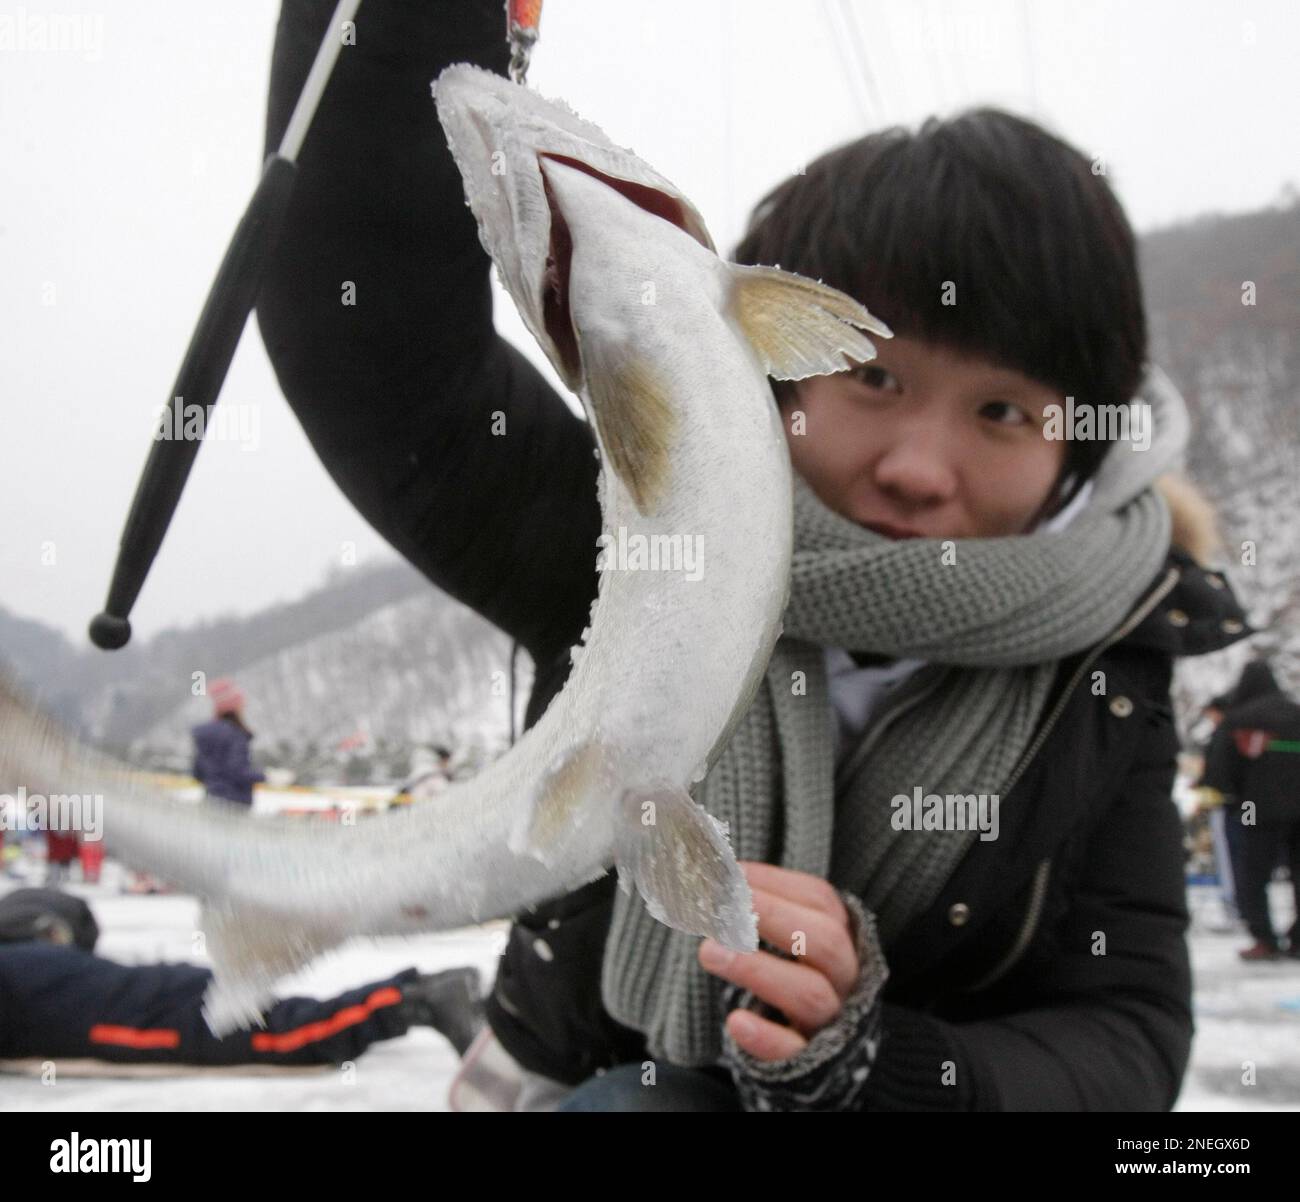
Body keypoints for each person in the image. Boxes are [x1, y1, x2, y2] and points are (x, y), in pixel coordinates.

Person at [255, 1, 1250, 1110]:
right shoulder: (632, 531)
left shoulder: (1113, 658)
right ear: (778, 362)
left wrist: (877, 1061)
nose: (922, 464)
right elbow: (377, 353)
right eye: (872, 376)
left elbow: (1127, 1030)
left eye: (1003, 411)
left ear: (1080, 445)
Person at [0, 887, 485, 1066]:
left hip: (136, 1012)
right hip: (140, 989)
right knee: (283, 1025)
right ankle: (414, 996)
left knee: (288, 1036)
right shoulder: (31, 942)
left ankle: (412, 999)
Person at [1200, 660, 1300, 961]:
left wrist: (1232, 797)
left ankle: (1263, 939)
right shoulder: (1296, 714)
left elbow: (1219, 768)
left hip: (1254, 810)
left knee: (1253, 875)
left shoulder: (1238, 719)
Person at [191, 678, 266, 806]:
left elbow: (198, 773)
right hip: (235, 804)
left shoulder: (205, 736)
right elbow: (237, 771)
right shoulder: (235, 736)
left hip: (211, 800)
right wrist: (266, 776)